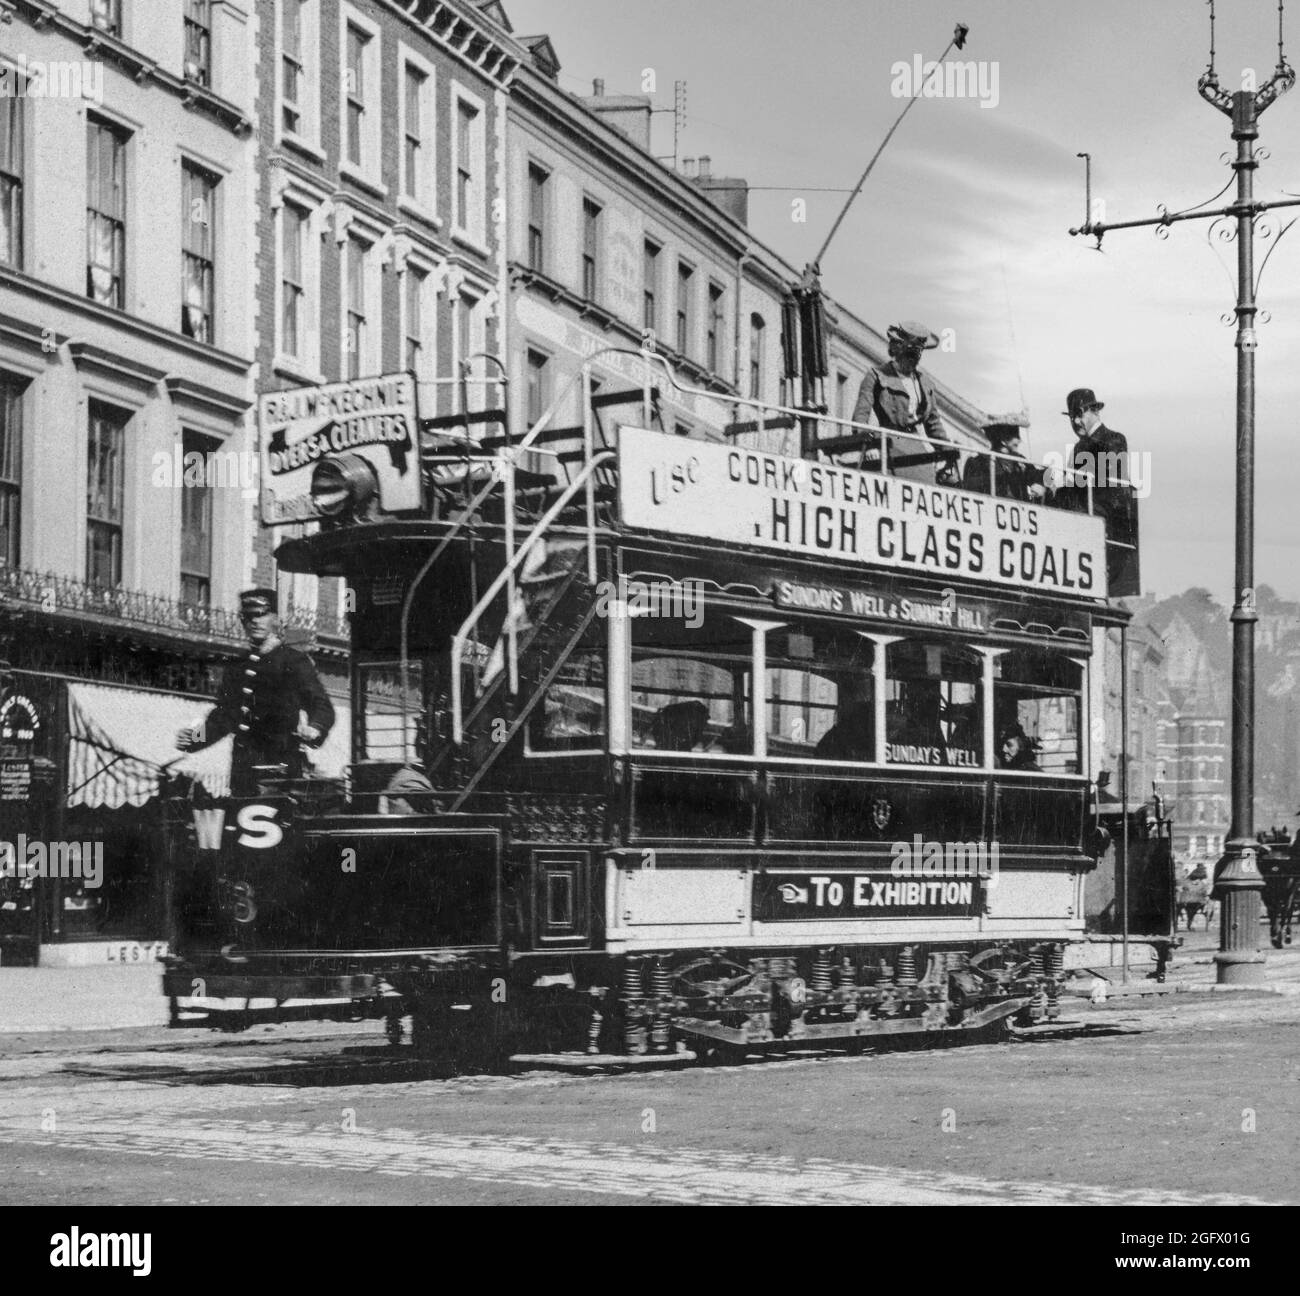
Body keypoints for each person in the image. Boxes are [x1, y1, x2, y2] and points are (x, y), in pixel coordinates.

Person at [176, 588, 335, 795]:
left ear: (275, 619)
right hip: (243, 770)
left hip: (280, 769)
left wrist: (315, 728)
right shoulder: (237, 667)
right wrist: (195, 737)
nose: (255, 622)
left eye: (261, 615)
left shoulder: (293, 661)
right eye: (249, 616)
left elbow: (322, 706)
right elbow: (222, 716)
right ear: (242, 620)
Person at [850, 320, 956, 485]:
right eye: (910, 353)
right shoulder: (877, 375)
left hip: (917, 449)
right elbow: (860, 416)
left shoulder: (925, 383)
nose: (914, 359)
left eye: (917, 354)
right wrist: (869, 445)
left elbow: (934, 424)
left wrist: (949, 453)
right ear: (897, 350)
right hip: (886, 444)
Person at [961, 420, 1047, 503]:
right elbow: (971, 486)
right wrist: (1001, 478)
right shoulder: (979, 461)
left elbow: (1035, 475)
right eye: (1016, 436)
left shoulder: (1019, 460)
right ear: (1003, 439)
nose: (1019, 440)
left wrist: (1042, 481)